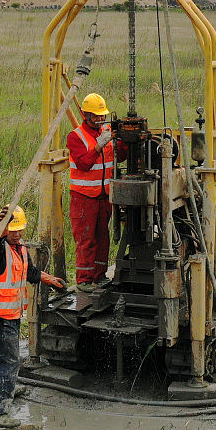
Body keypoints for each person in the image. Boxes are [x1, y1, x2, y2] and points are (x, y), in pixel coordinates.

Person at [0, 205, 64, 428]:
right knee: (9, 362)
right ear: (5, 230)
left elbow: (29, 272)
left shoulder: (19, 248)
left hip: (13, 313)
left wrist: (49, 279)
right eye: (13, 229)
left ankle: (6, 388)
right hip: (2, 315)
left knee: (8, 361)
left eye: (20, 229)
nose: (18, 233)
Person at [67, 93, 125, 292]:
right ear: (86, 115)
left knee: (102, 237)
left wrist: (125, 138)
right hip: (83, 198)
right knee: (86, 239)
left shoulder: (108, 131)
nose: (101, 119)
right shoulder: (76, 137)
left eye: (103, 116)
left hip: (104, 196)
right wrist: (99, 145)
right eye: (97, 116)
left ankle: (99, 276)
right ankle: (84, 280)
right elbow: (84, 163)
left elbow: (121, 157)